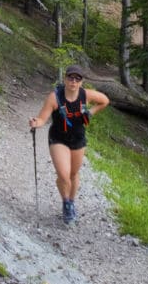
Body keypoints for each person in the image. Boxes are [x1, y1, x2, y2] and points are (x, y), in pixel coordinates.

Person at [29, 65, 109, 224]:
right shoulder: (55, 97)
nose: (73, 81)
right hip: (58, 138)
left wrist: (89, 113)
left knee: (73, 174)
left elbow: (104, 101)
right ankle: (65, 203)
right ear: (65, 79)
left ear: (81, 81)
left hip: (78, 139)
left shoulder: (85, 95)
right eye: (70, 78)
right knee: (64, 175)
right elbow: (43, 118)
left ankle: (71, 202)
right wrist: (35, 122)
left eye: (77, 79)